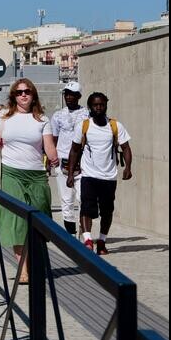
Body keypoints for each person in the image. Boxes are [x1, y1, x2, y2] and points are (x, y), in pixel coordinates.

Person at [0, 78, 60, 284]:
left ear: (33, 95)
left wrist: (57, 159)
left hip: (36, 175)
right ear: (13, 96)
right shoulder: (3, 116)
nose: (23, 95)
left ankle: (35, 260)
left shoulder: (43, 119)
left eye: (27, 92)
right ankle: (23, 269)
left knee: (39, 220)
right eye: (19, 92)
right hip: (10, 173)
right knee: (15, 222)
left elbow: (49, 147)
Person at [66, 92, 133, 255]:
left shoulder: (115, 126)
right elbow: (74, 150)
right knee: (87, 207)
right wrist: (70, 173)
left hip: (109, 176)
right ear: (90, 107)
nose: (98, 107)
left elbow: (126, 148)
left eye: (101, 105)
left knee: (107, 211)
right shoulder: (84, 125)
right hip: (88, 175)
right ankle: (88, 240)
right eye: (95, 105)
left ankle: (102, 241)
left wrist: (128, 168)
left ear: (106, 106)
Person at [50, 81, 89, 236]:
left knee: (83, 198)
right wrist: (50, 159)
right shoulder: (58, 115)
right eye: (66, 94)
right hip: (63, 160)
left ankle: (84, 231)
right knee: (66, 200)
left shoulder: (87, 114)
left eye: (72, 94)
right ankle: (70, 235)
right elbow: (53, 139)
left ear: (79, 96)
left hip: (83, 161)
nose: (69, 97)